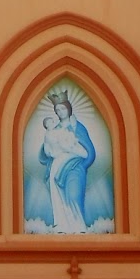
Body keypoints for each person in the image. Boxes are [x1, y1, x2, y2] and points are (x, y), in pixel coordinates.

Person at [38, 92, 96, 234]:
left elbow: (88, 148)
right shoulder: (54, 129)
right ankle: (62, 226)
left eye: (63, 109)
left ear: (69, 109)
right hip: (58, 164)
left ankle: (79, 227)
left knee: (74, 194)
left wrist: (82, 164)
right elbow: (47, 151)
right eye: (57, 110)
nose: (60, 112)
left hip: (75, 166)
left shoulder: (78, 127)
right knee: (57, 196)